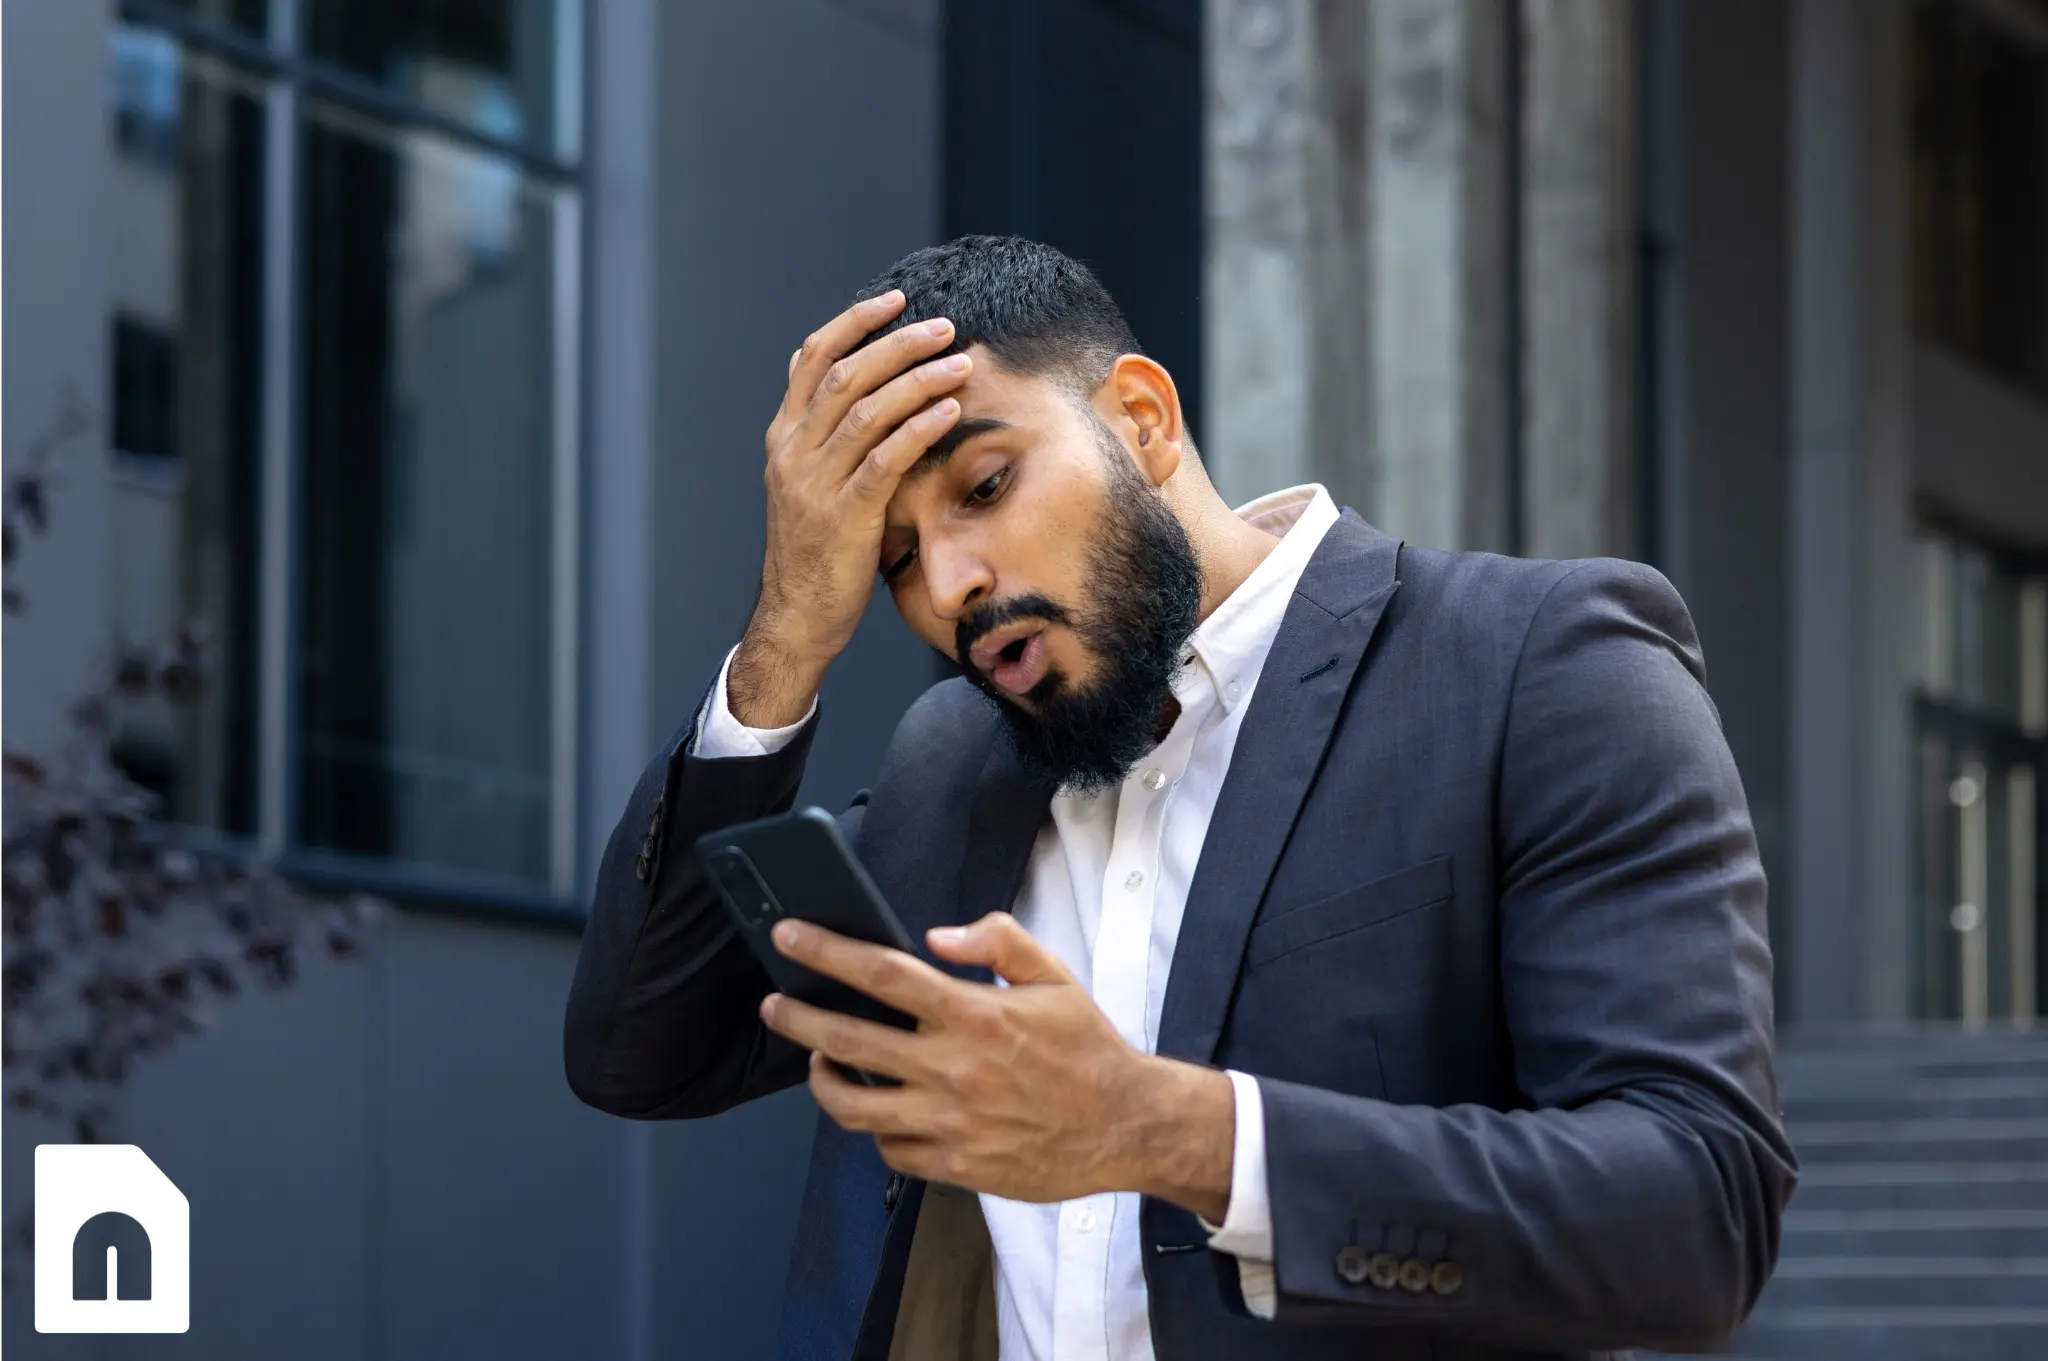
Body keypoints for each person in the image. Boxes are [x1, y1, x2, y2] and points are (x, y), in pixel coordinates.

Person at [564, 235, 1796, 1361]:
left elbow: (1695, 1212)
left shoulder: (1535, 663)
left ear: (1140, 418)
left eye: (984, 485)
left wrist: (1168, 1132)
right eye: (892, 558)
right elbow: (643, 1052)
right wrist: (787, 629)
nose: (948, 583)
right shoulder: (951, 763)